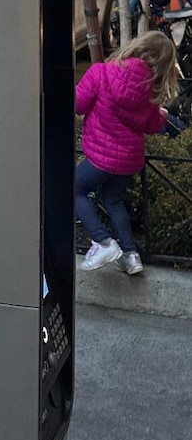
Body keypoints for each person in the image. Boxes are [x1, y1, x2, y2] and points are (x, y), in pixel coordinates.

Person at [75, 31, 179, 274]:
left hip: (101, 157)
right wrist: (162, 115)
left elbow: (78, 104)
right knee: (113, 200)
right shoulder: (150, 92)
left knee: (73, 189)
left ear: (137, 46)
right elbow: (151, 126)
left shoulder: (102, 72)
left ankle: (103, 242)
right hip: (129, 160)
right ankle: (131, 256)